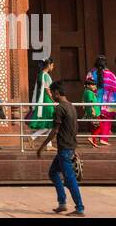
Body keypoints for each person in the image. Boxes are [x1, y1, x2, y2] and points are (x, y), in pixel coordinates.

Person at [36, 82, 84, 216]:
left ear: (57, 92)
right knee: (53, 173)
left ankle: (79, 207)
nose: (51, 95)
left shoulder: (60, 109)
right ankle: (62, 203)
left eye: (52, 93)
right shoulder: (71, 107)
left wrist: (41, 146)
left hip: (64, 149)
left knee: (69, 179)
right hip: (68, 147)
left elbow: (54, 130)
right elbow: (74, 129)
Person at [87, 56, 116, 146]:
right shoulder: (111, 75)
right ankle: (103, 139)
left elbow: (87, 86)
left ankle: (94, 139)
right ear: (105, 64)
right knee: (106, 120)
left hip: (94, 100)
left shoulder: (91, 73)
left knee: (95, 121)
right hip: (106, 102)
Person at [27, 57, 55, 143]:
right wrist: (53, 100)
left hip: (43, 100)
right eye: (52, 65)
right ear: (49, 65)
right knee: (50, 123)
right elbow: (48, 90)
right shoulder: (45, 75)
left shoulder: (40, 74)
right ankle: (33, 137)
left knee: (48, 123)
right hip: (47, 101)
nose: (53, 67)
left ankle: (44, 143)